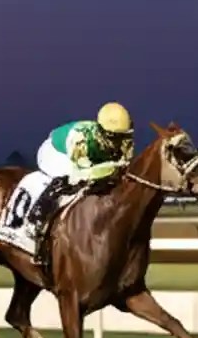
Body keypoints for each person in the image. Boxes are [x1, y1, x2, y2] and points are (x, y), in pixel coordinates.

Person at [25, 102, 134, 263]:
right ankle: (36, 218)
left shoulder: (123, 140)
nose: (120, 143)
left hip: (87, 159)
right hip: (57, 153)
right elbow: (85, 172)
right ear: (102, 132)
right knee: (68, 180)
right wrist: (113, 167)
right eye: (115, 138)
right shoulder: (81, 139)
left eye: (123, 137)